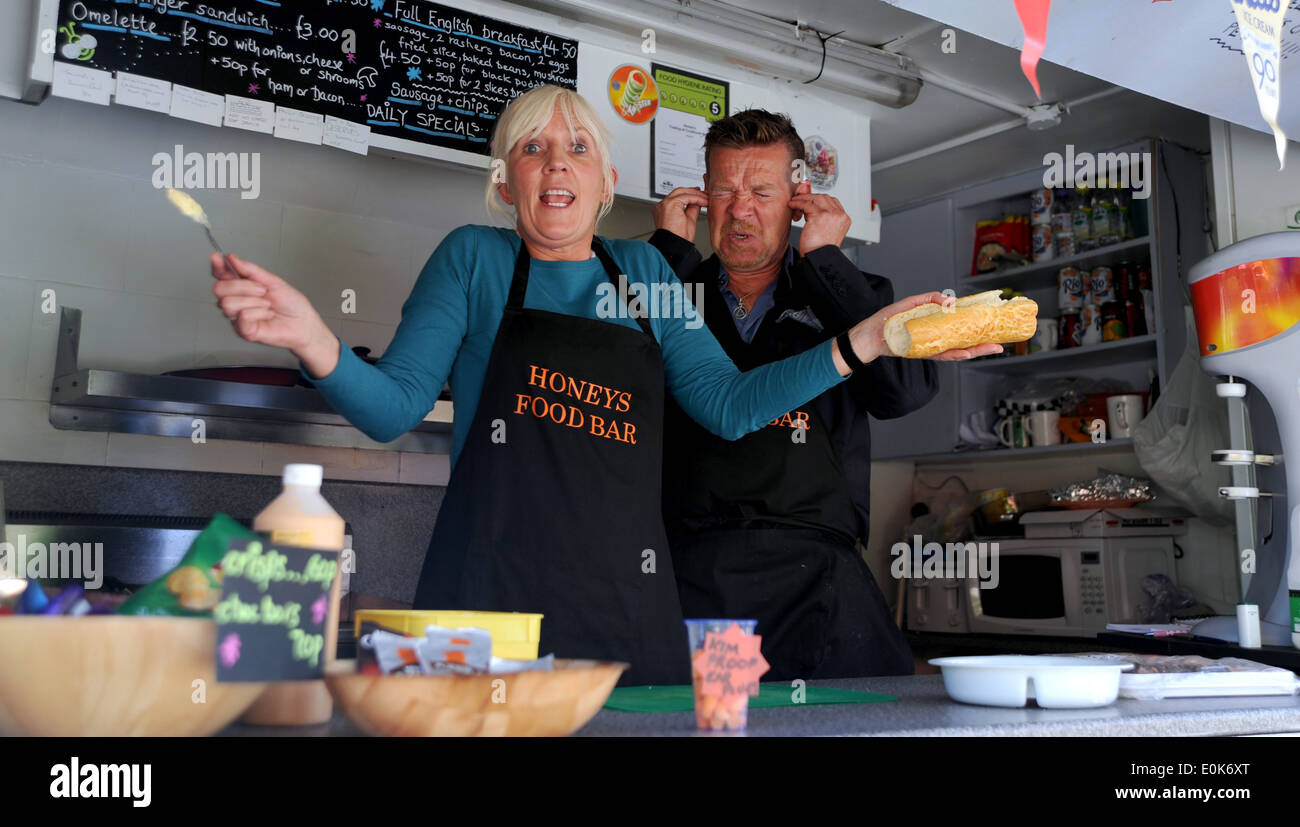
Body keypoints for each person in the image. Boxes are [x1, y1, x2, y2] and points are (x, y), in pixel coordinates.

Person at [211, 85, 959, 686]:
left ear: (606, 181)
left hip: (624, 597)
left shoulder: (645, 276)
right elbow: (392, 407)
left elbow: (730, 406)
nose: (556, 164)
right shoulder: (473, 260)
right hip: (487, 587)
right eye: (532, 149)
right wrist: (314, 338)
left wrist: (864, 339)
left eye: (577, 148)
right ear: (506, 182)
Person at [649, 109, 999, 680]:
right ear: (702, 198)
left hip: (819, 573)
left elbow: (904, 393)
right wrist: (665, 253)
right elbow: (607, 376)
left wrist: (827, 263)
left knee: (851, 727)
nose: (740, 209)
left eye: (761, 191)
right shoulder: (671, 287)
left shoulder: (852, 292)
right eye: (724, 191)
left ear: (797, 199)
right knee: (714, 728)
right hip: (695, 572)